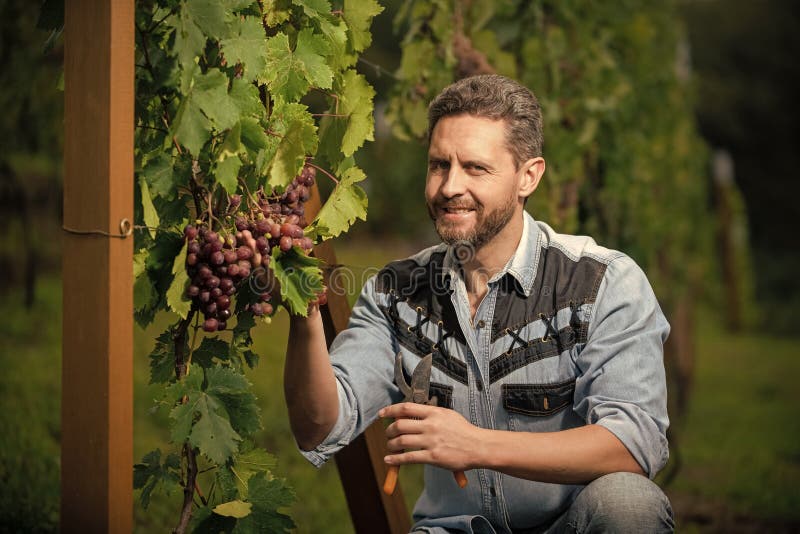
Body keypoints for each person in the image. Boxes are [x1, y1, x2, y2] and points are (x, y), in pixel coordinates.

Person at [283, 74, 674, 533]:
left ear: (529, 176)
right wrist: (303, 315)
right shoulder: (397, 291)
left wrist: (475, 445)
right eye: (438, 165)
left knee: (629, 504)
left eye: (475, 168)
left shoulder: (602, 282)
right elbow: (320, 425)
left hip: (571, 527)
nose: (450, 186)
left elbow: (633, 443)